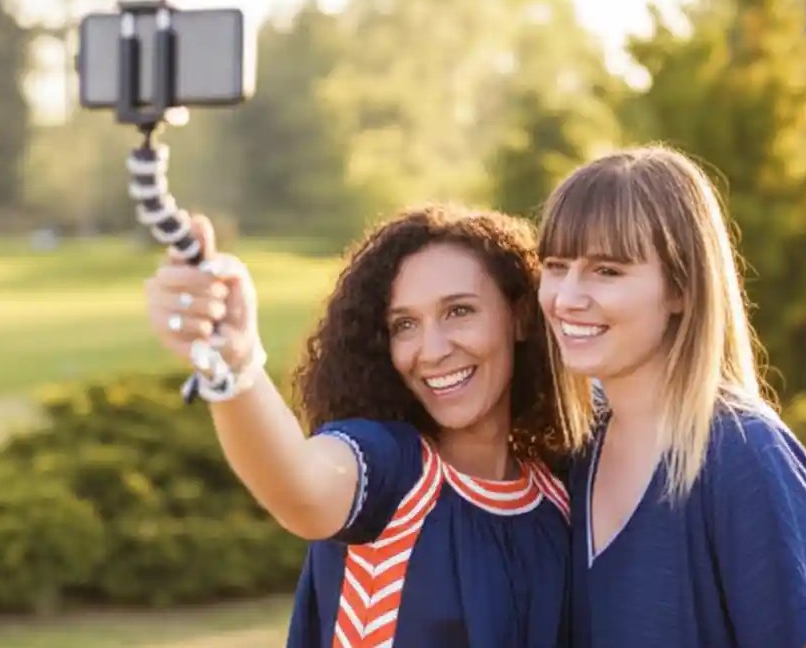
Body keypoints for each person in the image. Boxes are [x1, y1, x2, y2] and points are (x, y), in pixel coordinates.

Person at [144, 205, 592, 647]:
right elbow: (300, 487)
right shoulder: (390, 468)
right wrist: (235, 365)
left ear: (520, 316)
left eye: (459, 311)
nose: (431, 350)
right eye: (404, 325)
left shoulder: (557, 493)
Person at [535, 145, 806, 647]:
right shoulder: (577, 450)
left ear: (681, 288)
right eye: (555, 265)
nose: (567, 297)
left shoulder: (743, 454)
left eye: (607, 271)